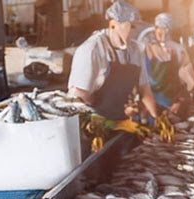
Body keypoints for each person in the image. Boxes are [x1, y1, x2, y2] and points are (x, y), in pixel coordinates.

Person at [69, 0, 173, 142]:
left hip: (120, 122)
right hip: (91, 126)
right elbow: (79, 95)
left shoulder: (135, 50)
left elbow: (144, 88)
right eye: (131, 26)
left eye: (137, 27)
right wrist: (102, 112)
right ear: (113, 25)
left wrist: (157, 118)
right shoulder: (92, 49)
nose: (135, 31)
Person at [138, 13, 194, 118]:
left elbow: (191, 82)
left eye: (166, 29)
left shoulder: (179, 51)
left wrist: (180, 100)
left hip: (172, 105)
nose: (162, 34)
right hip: (149, 104)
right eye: (159, 29)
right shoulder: (146, 49)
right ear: (154, 29)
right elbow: (138, 80)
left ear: (170, 31)